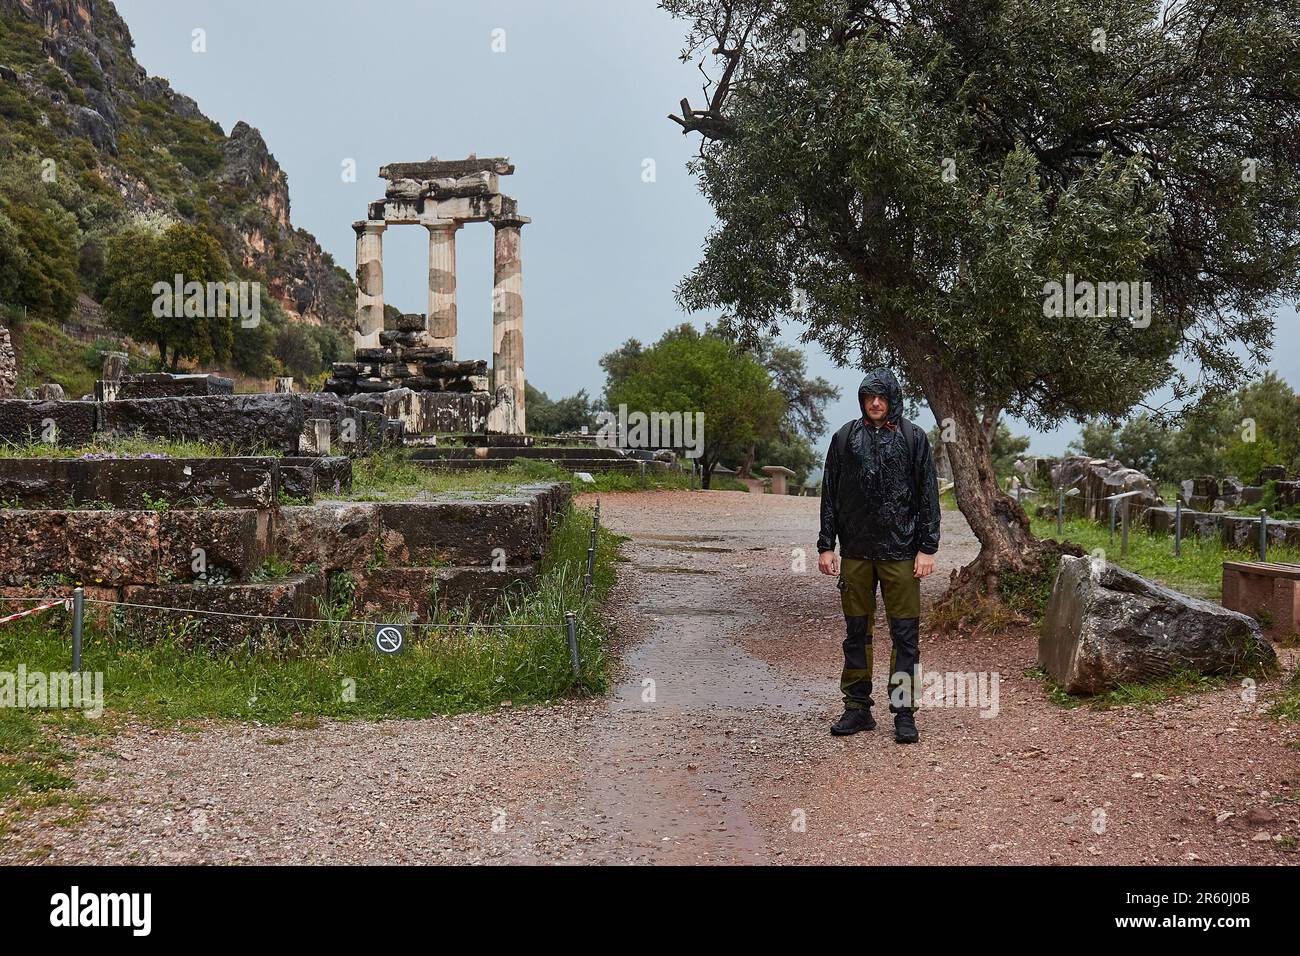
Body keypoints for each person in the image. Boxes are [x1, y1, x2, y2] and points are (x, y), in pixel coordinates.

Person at [817, 367, 941, 744]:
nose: (875, 403)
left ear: (892, 400)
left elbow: (928, 496)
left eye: (881, 397)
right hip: (856, 553)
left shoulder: (913, 438)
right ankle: (856, 708)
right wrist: (826, 545)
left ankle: (904, 712)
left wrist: (927, 547)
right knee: (856, 633)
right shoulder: (843, 439)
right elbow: (830, 494)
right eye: (869, 397)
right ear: (861, 400)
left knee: (905, 636)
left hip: (902, 554)